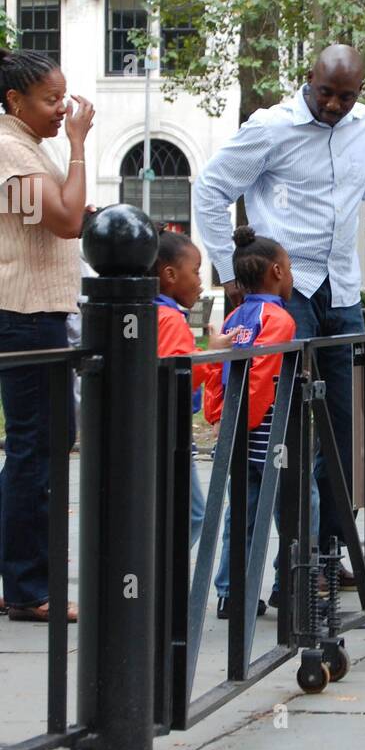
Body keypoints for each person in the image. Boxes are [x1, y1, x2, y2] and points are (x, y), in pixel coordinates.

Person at [193, 45, 365, 580]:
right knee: (280, 436)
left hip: (342, 294)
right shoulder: (269, 127)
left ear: (359, 94)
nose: (333, 105)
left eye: (346, 96)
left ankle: (325, 554)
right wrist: (229, 274)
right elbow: (210, 188)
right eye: (326, 92)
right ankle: (286, 571)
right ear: (309, 80)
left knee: (345, 432)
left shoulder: (363, 123)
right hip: (286, 296)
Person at [0, 48, 93, 623]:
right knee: (36, 450)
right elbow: (64, 220)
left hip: (37, 313)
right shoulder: (11, 150)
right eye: (51, 99)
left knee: (39, 446)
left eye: (64, 97)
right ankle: (30, 589)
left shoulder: (26, 148)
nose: (64, 108)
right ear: (15, 102)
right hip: (26, 314)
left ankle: (19, 576)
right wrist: (80, 147)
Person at [203, 226, 297, 617]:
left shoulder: (235, 317)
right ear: (276, 271)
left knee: (238, 514)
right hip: (268, 434)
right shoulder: (279, 319)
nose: (292, 275)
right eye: (290, 267)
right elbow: (262, 374)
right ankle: (289, 585)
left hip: (237, 433)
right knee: (296, 509)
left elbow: (219, 367)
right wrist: (251, 421)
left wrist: (224, 419)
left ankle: (232, 592)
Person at [152, 228, 231, 547]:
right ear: (170, 274)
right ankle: (162, 583)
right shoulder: (170, 319)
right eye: (196, 272)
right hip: (168, 428)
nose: (200, 281)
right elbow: (178, 371)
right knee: (192, 513)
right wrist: (213, 353)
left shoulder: (153, 311)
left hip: (158, 426)